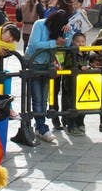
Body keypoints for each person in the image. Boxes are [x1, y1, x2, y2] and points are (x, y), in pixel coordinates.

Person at [24, 9, 72, 143]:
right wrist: (54, 43)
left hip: (47, 63)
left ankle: (40, 127)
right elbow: (34, 44)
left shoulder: (60, 29)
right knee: (37, 96)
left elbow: (66, 45)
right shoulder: (39, 24)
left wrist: (69, 31)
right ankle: (41, 127)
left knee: (44, 97)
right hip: (34, 62)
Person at [61, 31, 89, 136]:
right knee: (71, 103)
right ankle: (71, 125)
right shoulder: (70, 51)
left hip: (83, 82)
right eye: (78, 41)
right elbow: (68, 63)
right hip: (70, 82)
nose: (80, 44)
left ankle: (80, 123)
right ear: (73, 42)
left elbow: (89, 62)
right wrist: (79, 66)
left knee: (83, 103)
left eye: (83, 41)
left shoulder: (87, 52)